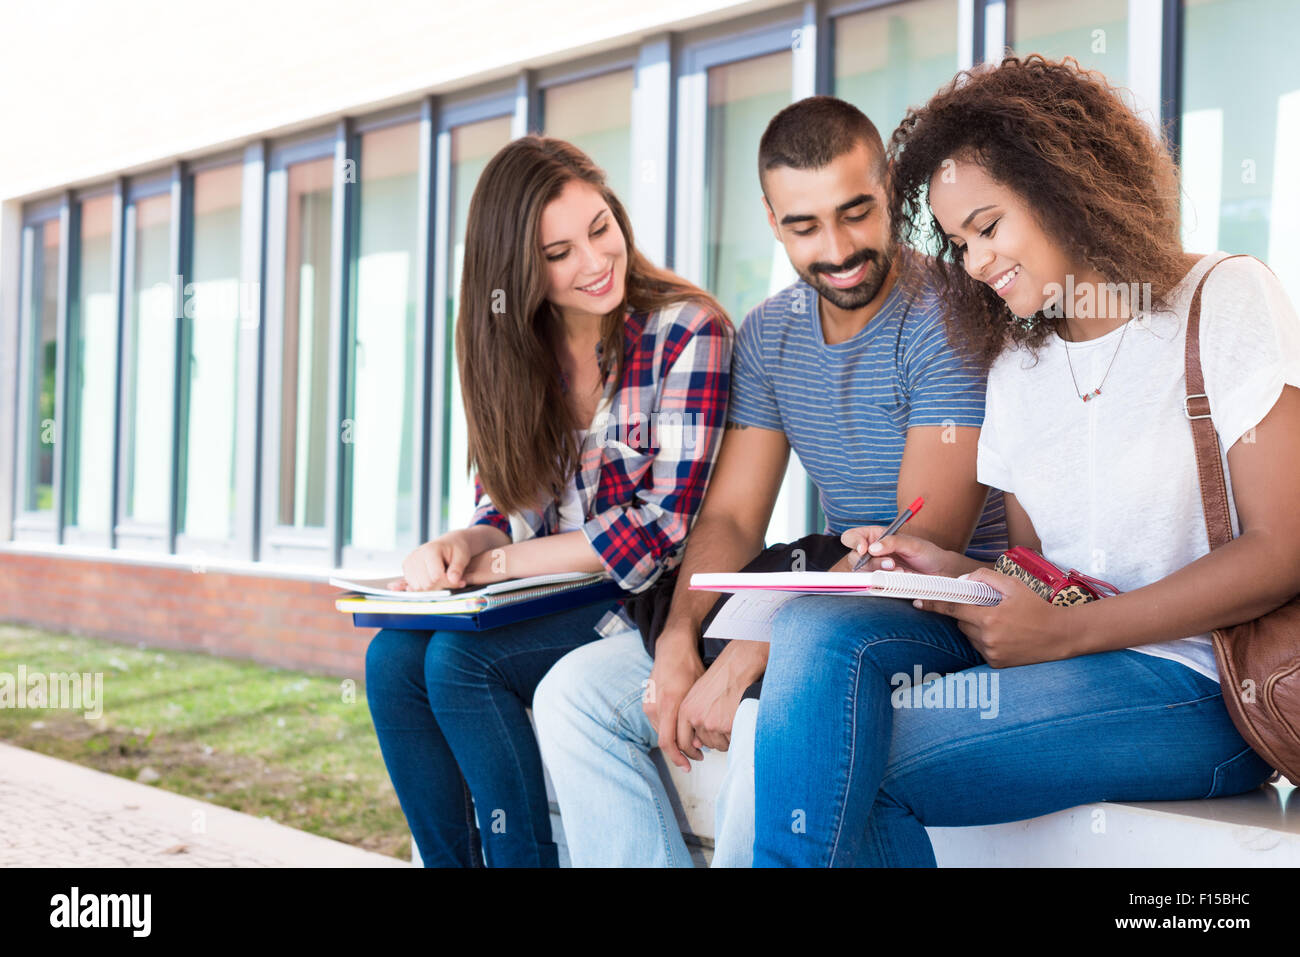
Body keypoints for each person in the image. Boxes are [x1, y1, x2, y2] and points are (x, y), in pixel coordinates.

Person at [751, 55, 1298, 867]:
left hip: (1199, 686)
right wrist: (942, 569)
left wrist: (1073, 631)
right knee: (816, 627)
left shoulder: (1221, 299)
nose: (972, 262)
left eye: (988, 226)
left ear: (1061, 186)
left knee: (852, 764)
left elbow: (1283, 549)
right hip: (1070, 662)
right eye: (957, 240)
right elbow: (1044, 570)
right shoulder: (1017, 361)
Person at [532, 96, 1007, 867]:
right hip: (821, 596)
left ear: (891, 188)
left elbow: (918, 543)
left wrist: (753, 647)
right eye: (805, 225)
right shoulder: (770, 331)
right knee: (573, 695)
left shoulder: (948, 317)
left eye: (857, 212)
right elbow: (731, 517)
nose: (840, 248)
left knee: (771, 714)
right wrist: (683, 636)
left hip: (934, 610)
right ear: (770, 217)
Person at [364, 135, 733, 867]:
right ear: (518, 270)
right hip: (543, 595)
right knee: (390, 662)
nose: (596, 262)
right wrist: (466, 544)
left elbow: (658, 530)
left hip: (640, 607)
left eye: (601, 229)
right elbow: (507, 499)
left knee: (458, 667)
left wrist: (498, 561)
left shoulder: (688, 331)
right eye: (559, 253)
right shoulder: (513, 349)